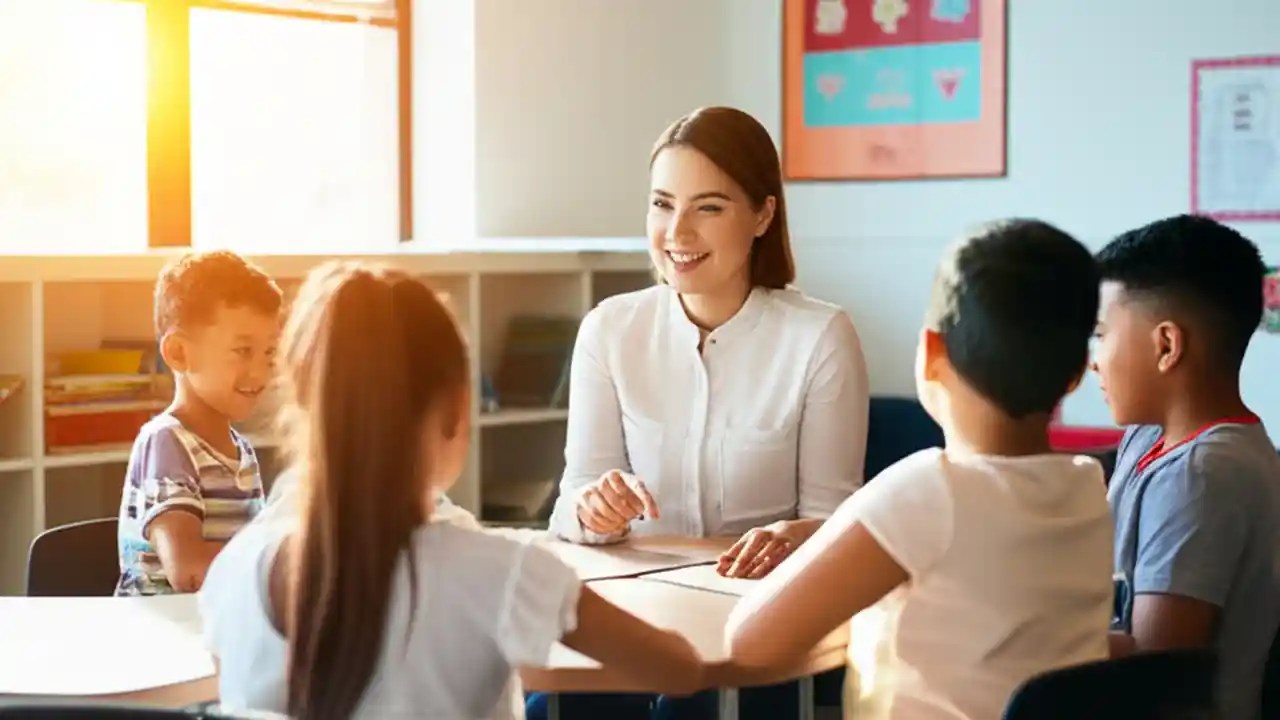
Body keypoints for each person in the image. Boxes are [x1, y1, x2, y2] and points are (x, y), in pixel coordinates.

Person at [199, 262, 715, 720]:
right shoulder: (501, 573)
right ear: (454, 407)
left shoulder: (234, 570)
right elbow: (679, 671)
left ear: (307, 413)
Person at [535, 105, 869, 719]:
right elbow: (571, 504)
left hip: (760, 624)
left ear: (763, 214)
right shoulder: (610, 329)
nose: (677, 232)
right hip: (633, 617)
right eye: (662, 205)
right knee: (560, 707)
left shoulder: (820, 336)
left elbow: (838, 525)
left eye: (708, 207)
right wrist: (594, 509)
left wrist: (795, 537)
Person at [726, 220, 1115, 720]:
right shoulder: (1086, 488)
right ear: (1077, 374)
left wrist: (840, 538)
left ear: (932, 352)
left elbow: (749, 643)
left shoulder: (927, 489)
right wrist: (833, 535)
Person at [1093, 214, 1280, 720]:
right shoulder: (1149, 437)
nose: (1095, 360)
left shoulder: (1202, 474)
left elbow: (1157, 667)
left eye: (1102, 334)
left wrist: (1024, 631)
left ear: (1167, 345)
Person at [115, 250, 282, 596]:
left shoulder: (242, 451)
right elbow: (187, 570)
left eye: (269, 353)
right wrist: (287, 563)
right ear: (179, 353)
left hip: (210, 631)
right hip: (161, 638)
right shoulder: (166, 443)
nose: (261, 371)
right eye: (242, 351)